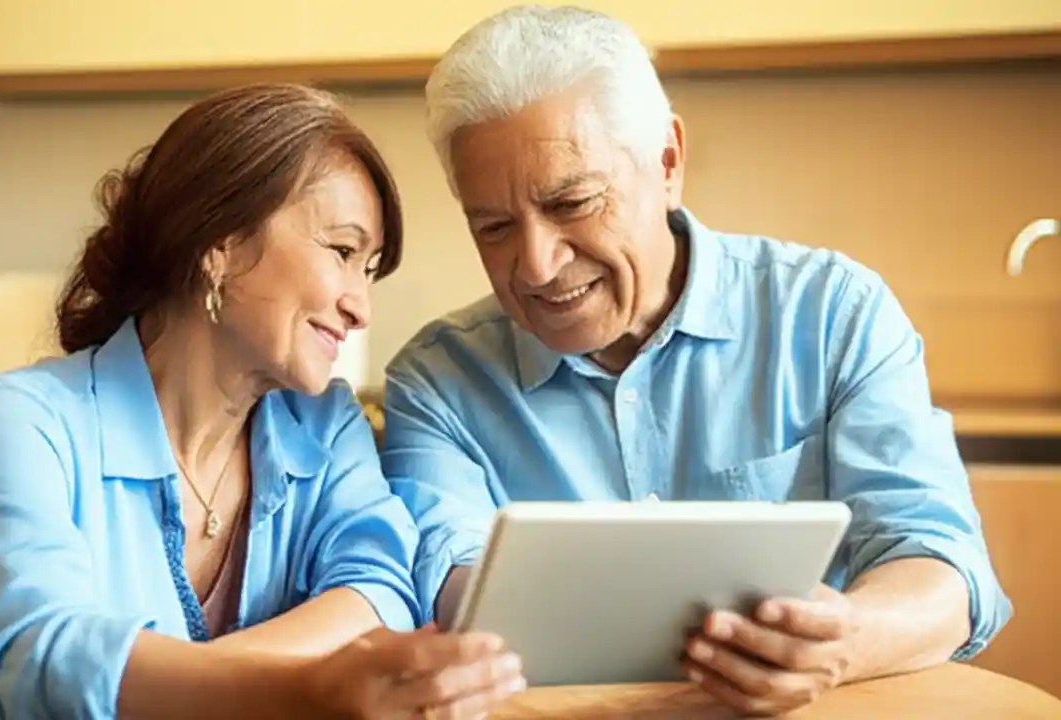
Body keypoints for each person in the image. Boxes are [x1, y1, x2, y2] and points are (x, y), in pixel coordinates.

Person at [382, 6, 1011, 717]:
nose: (536, 265)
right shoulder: (437, 383)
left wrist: (847, 640)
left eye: (574, 202)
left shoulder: (834, 313)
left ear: (668, 163)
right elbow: (449, 579)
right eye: (493, 226)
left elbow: (941, 565)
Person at [0, 83, 525, 720]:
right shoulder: (26, 419)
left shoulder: (327, 426)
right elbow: (39, 658)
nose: (361, 306)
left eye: (369, 268)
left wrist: (211, 686)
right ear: (219, 243)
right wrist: (298, 693)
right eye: (343, 252)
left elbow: (377, 591)